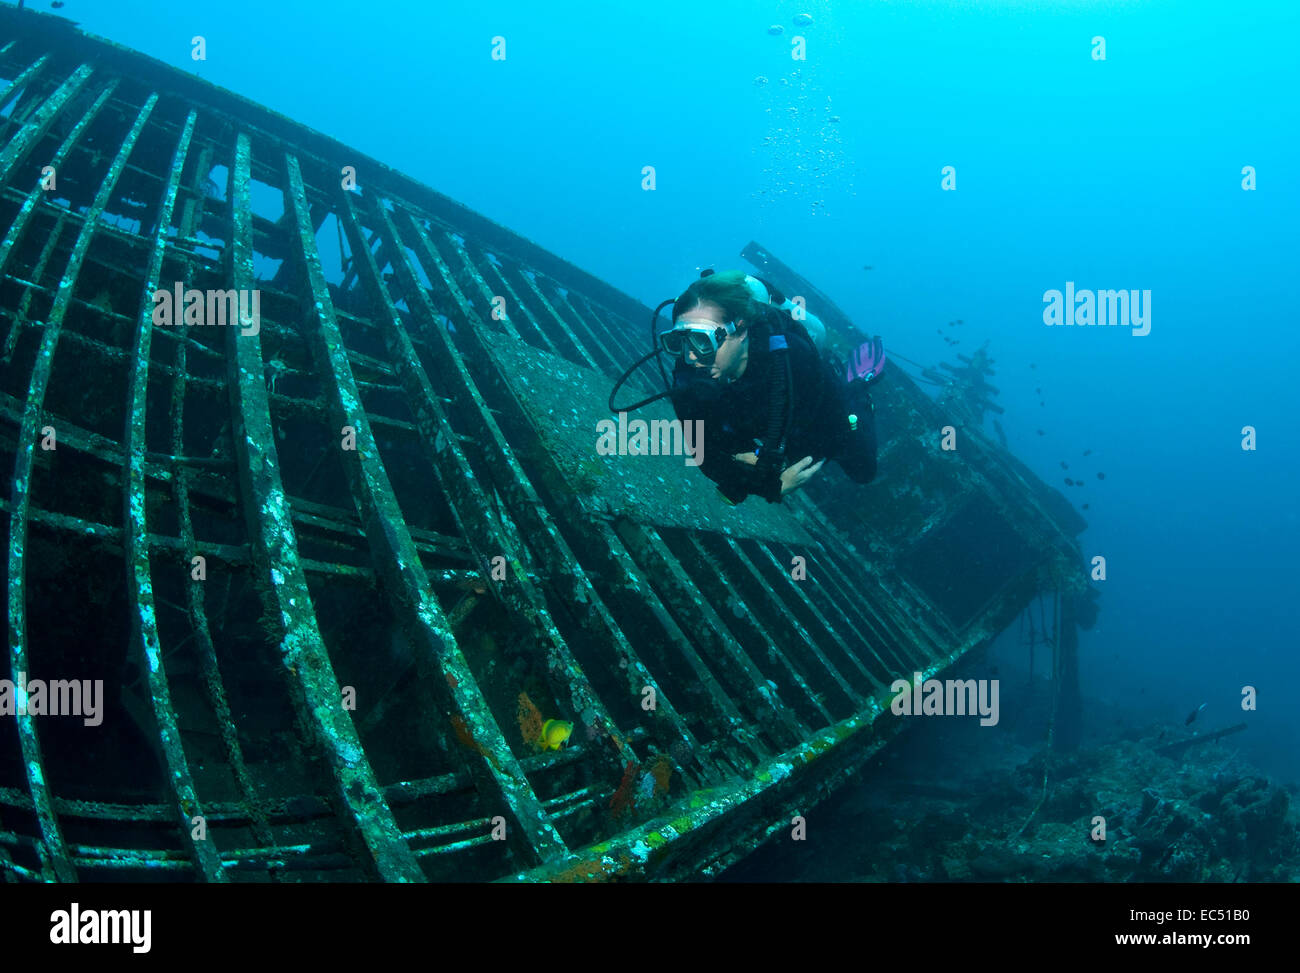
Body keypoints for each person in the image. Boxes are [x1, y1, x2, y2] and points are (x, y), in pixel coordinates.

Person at [663, 269, 885, 505]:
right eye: (680, 341)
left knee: (863, 471)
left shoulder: (792, 358)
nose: (691, 357)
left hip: (815, 404)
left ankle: (859, 387)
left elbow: (822, 442)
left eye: (703, 340)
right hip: (756, 417)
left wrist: (769, 471)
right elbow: (703, 455)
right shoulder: (688, 372)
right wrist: (766, 483)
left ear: (740, 329)